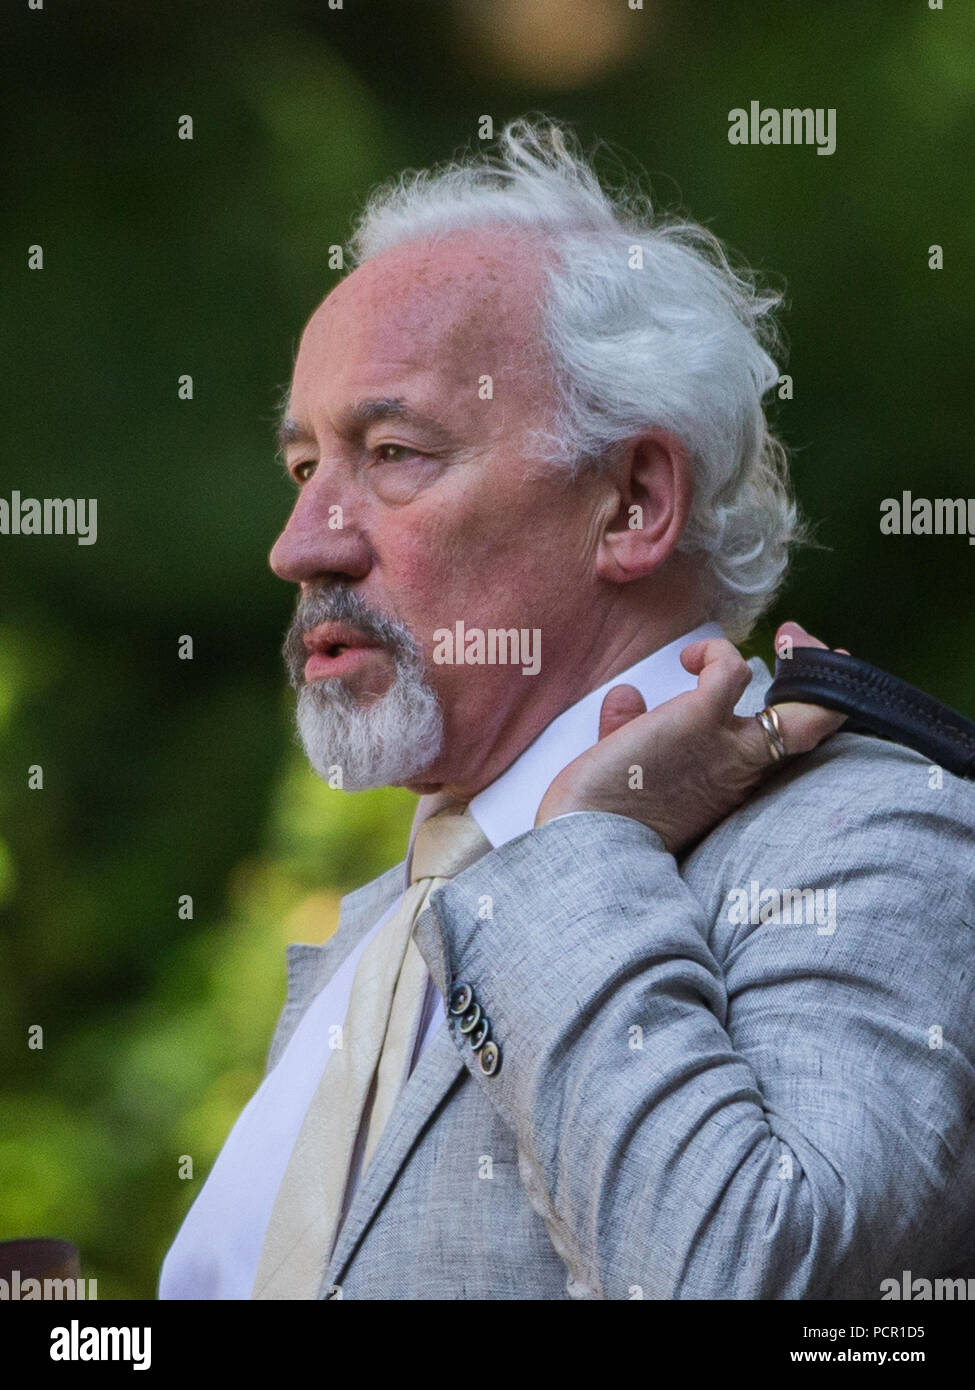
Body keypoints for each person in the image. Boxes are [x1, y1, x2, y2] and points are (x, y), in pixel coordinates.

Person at [159, 119, 975, 1300]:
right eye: (304, 468)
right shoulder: (390, 923)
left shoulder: (888, 838)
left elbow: (754, 1287)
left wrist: (586, 844)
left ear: (634, 502)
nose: (301, 544)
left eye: (392, 452)